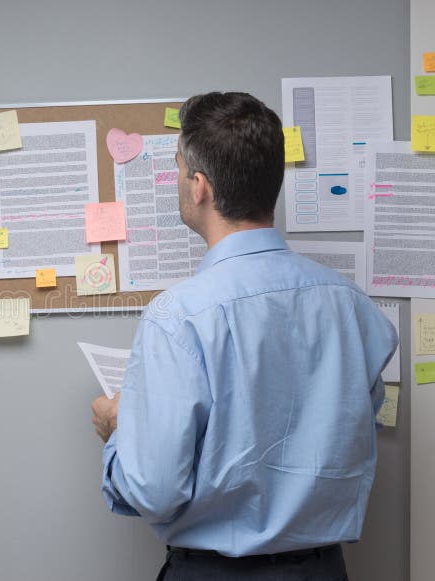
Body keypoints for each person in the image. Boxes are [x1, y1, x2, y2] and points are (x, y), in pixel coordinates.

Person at [91, 92, 399, 580]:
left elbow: (154, 490)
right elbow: (353, 428)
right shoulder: (352, 306)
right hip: (324, 572)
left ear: (199, 186)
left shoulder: (177, 318)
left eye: (177, 169)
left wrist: (117, 432)